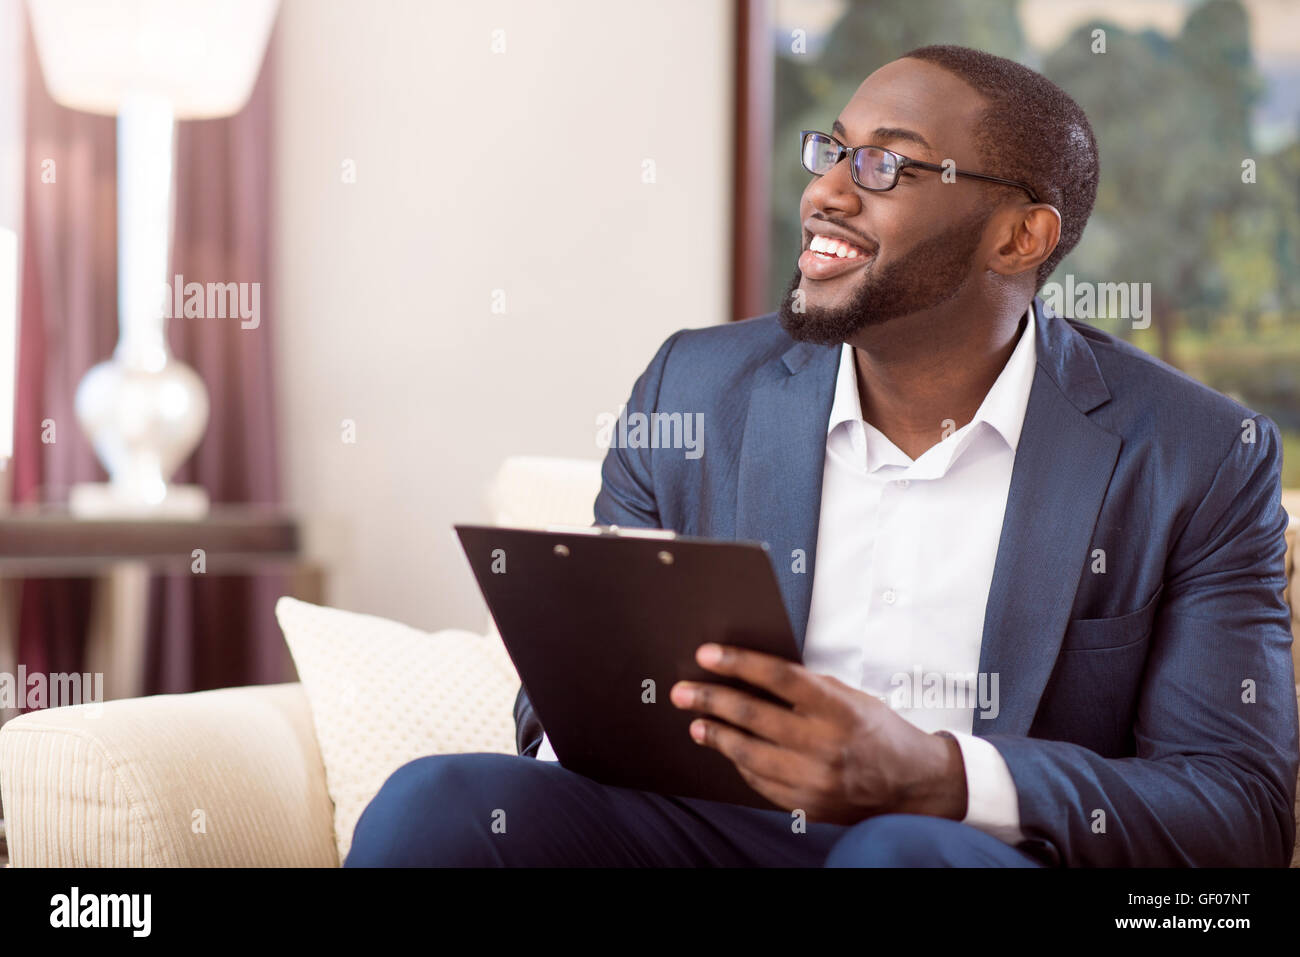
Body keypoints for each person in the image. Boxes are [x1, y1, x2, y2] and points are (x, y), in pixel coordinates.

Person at [345, 44, 1298, 867]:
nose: (827, 191)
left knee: (900, 851)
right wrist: (605, 702)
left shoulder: (1197, 456)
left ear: (1020, 236)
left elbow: (1237, 807)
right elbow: (563, 711)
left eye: (887, 165)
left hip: (964, 850)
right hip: (715, 831)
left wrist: (937, 774)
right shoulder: (694, 388)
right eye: (833, 149)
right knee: (440, 805)